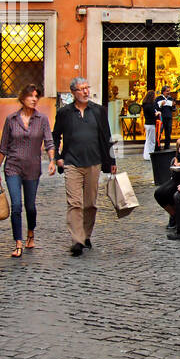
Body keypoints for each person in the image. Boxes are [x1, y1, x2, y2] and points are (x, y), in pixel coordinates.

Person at [53, 77, 117, 256]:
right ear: (73, 92)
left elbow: (107, 136)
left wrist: (111, 162)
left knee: (90, 204)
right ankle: (77, 240)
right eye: (81, 89)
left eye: (87, 88)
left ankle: (86, 235)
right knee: (74, 203)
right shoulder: (65, 113)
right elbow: (55, 135)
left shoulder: (98, 111)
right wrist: (57, 157)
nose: (85, 92)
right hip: (72, 163)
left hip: (94, 162)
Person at [0, 84, 56, 258]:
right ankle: (18, 242)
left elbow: (49, 142)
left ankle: (30, 233)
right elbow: (3, 146)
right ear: (22, 98)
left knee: (30, 207)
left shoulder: (42, 119)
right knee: (16, 205)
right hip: (13, 167)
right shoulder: (11, 119)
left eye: (37, 96)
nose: (34, 99)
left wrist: (52, 160)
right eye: (31, 96)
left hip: (32, 169)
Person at [141, 89, 158, 159]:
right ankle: (150, 155)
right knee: (151, 141)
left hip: (147, 123)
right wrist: (157, 113)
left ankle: (146, 155)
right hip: (151, 124)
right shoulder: (150, 105)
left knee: (148, 140)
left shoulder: (145, 104)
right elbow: (153, 115)